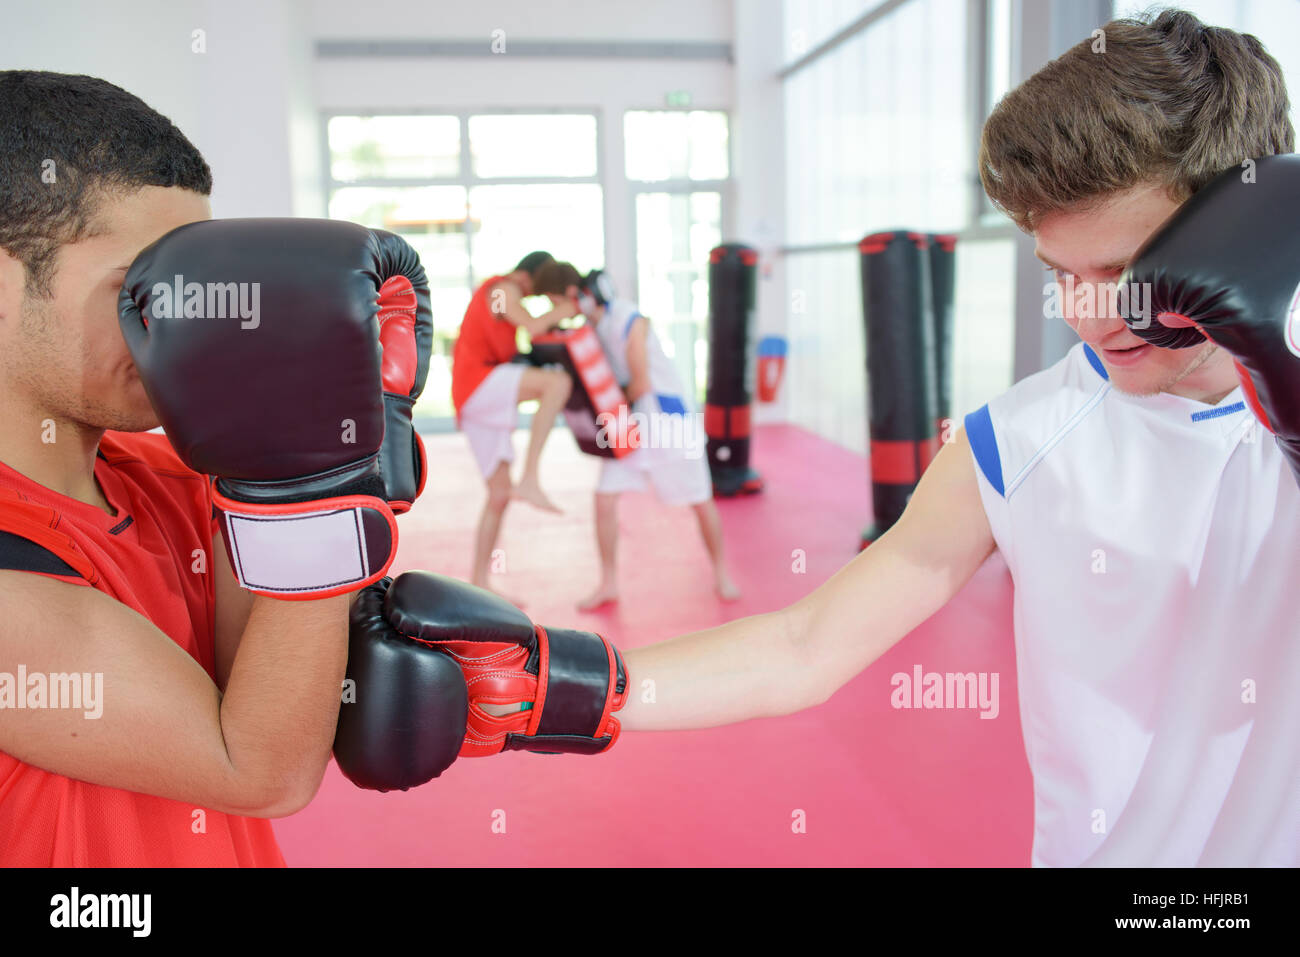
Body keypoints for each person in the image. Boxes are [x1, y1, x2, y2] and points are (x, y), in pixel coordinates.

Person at [395, 9, 1298, 866]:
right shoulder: (1021, 441)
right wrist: (559, 684)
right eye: (1061, 273)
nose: (1088, 315)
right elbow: (805, 646)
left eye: (1126, 271)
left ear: (1247, 231)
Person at [0, 71, 436, 865]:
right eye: (134, 288)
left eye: (184, 285)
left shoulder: (176, 471)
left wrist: (308, 427)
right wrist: (323, 485)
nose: (175, 320)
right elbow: (257, 767)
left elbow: (261, 674)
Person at [531, 261, 740, 607]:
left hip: (668, 423)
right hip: (630, 423)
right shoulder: (589, 328)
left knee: (700, 500)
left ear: (573, 294)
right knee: (604, 499)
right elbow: (542, 335)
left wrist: (601, 406)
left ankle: (721, 573)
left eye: (555, 302)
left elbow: (639, 383)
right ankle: (609, 583)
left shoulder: (629, 318)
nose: (555, 311)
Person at [450, 252, 576, 600]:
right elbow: (532, 326)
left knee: (499, 495)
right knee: (557, 384)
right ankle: (531, 477)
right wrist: (567, 308)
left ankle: (480, 581)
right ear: (528, 277)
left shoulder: (504, 294)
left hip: (474, 399)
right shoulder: (503, 289)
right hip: (478, 384)